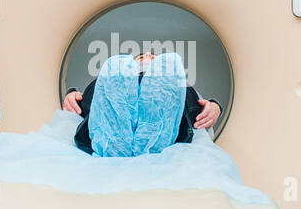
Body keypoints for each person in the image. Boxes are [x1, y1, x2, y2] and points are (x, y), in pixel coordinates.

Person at [61, 51, 221, 155]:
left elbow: (196, 107)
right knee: (109, 79)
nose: (147, 57)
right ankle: (131, 140)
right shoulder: (115, 75)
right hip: (118, 84)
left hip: (168, 92)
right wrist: (72, 94)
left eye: (153, 57)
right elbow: (89, 104)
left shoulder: (174, 80)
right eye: (141, 57)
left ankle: (118, 143)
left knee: (175, 85)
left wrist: (214, 106)